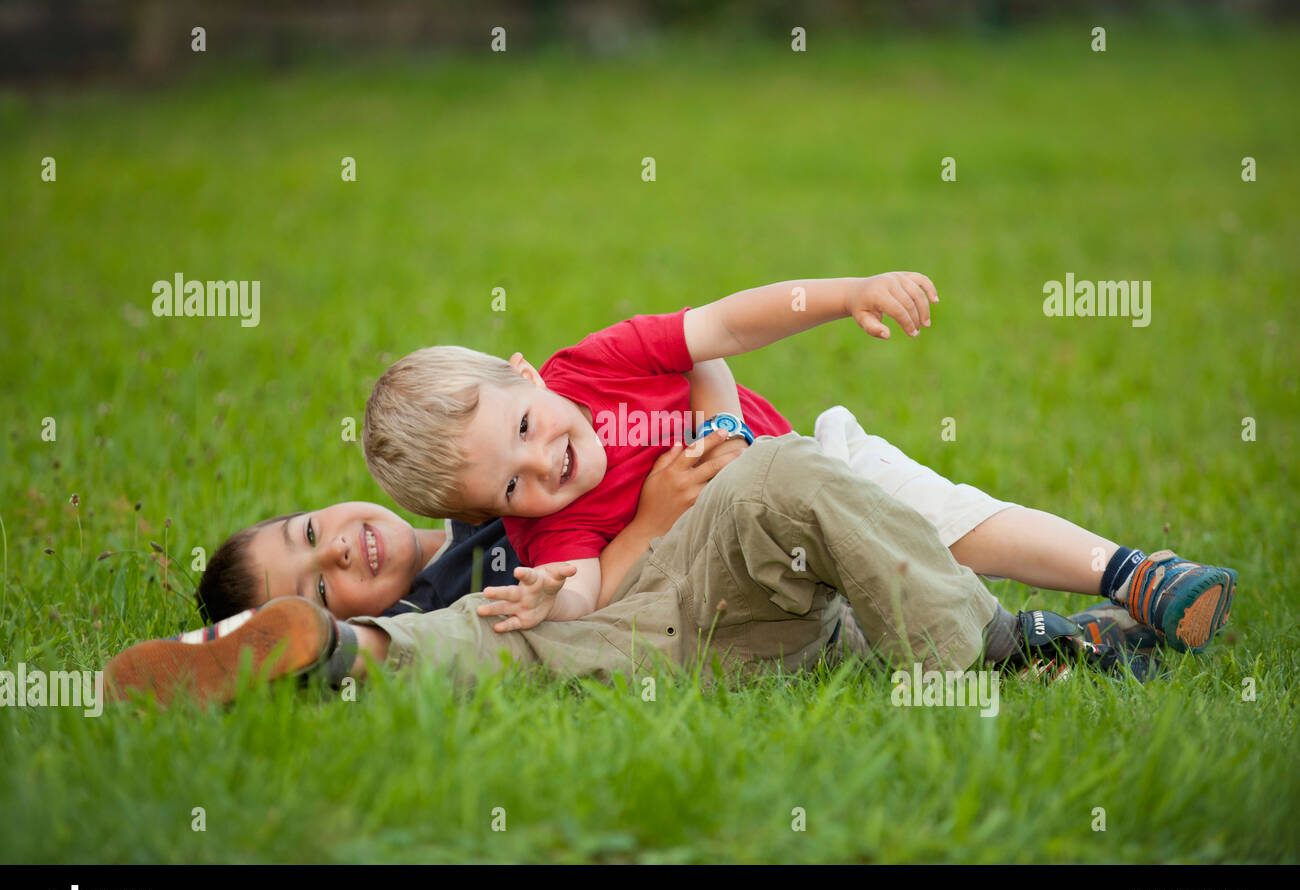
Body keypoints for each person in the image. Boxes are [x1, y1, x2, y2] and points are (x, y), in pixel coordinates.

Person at [360, 272, 1237, 654]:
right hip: (761, 567)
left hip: (813, 470)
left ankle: (1131, 573)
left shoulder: (590, 367)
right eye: (508, 483)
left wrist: (847, 294)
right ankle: (1037, 643)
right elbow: (589, 584)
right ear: (491, 511)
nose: (540, 465)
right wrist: (566, 586)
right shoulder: (549, 523)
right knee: (877, 617)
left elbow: (722, 331)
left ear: (526, 373)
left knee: (950, 520)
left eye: (523, 425)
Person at [106, 424, 1166, 707]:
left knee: (782, 471)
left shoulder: (488, 479)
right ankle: (327, 656)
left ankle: (992, 648)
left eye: (306, 531)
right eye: (321, 581)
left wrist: (657, 502)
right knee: (494, 630)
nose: (338, 547)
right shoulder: (457, 594)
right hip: (617, 646)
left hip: (750, 594)